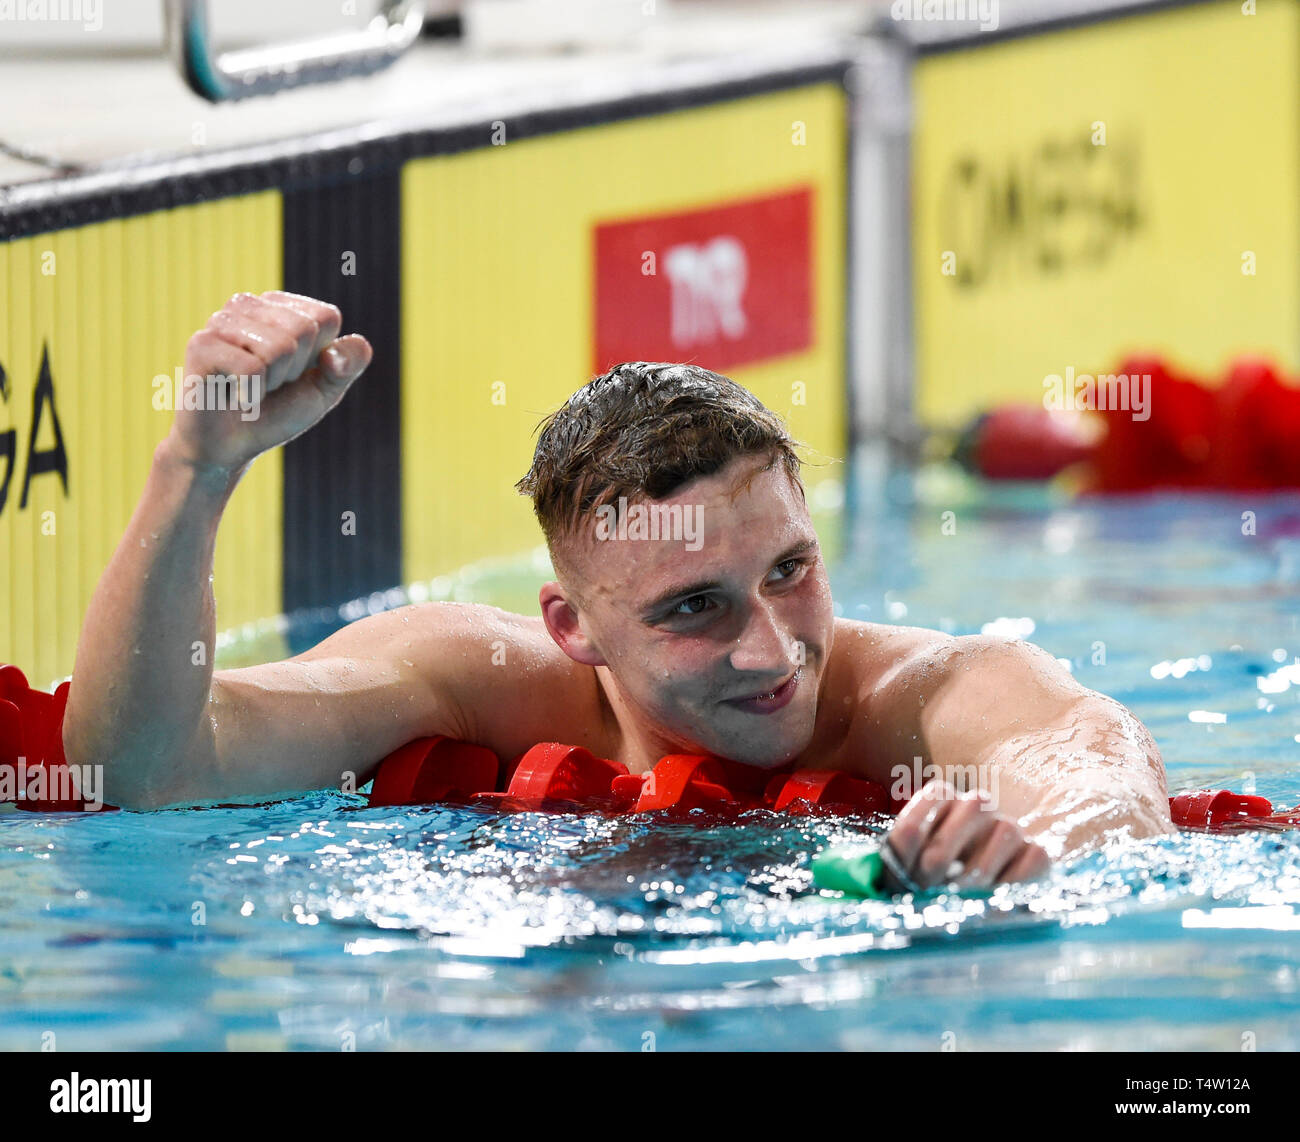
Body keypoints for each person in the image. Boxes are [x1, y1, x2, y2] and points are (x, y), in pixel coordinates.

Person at [62, 291, 1177, 892]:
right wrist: (195, 471)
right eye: (693, 606)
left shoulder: (927, 693)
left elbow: (1102, 770)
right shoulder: (473, 677)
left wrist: (1025, 848)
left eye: (788, 571)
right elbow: (145, 768)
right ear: (571, 624)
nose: (774, 648)